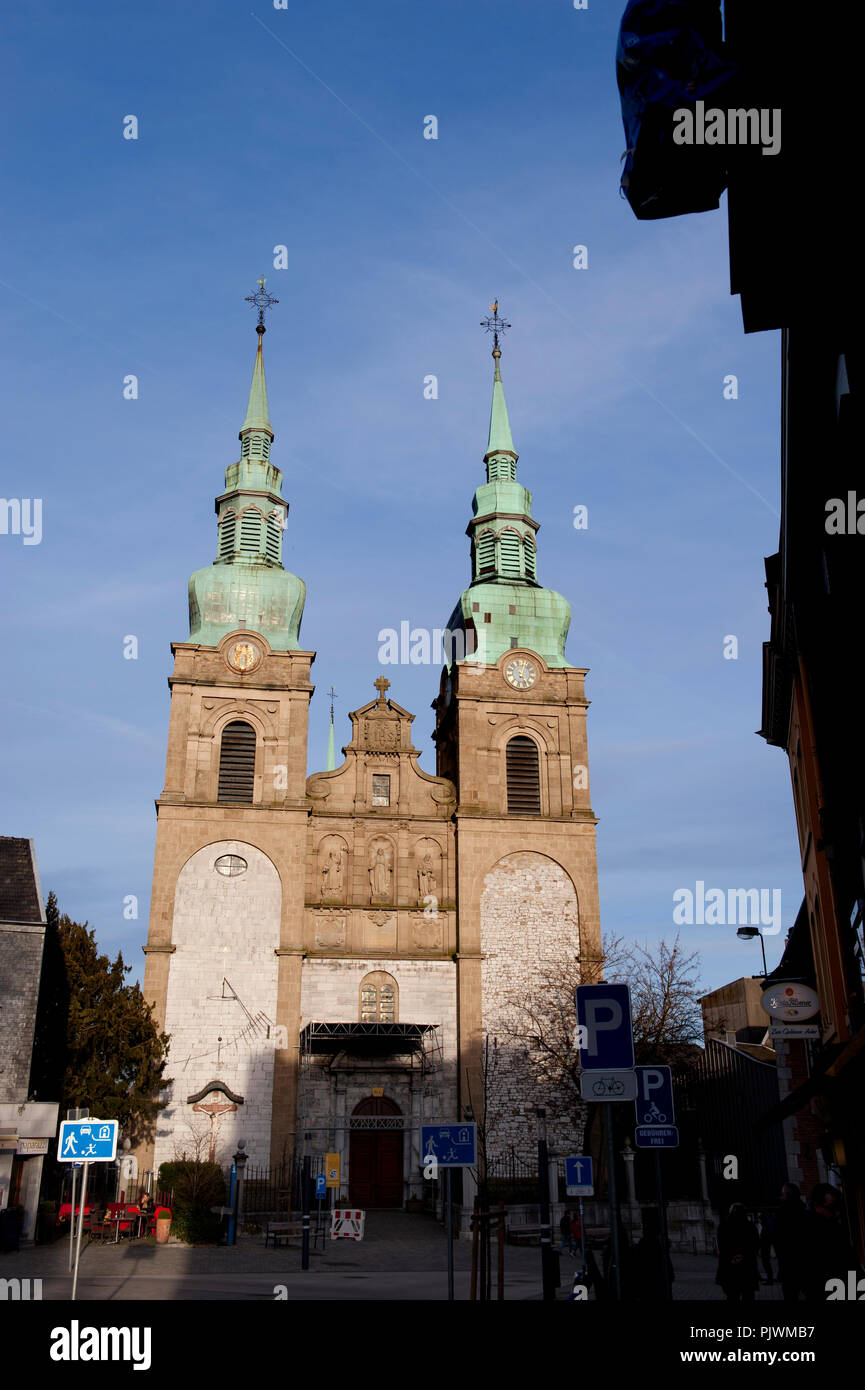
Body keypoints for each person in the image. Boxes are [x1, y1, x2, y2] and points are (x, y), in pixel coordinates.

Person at [802, 1182, 861, 1301]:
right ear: (817, 1206)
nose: (837, 1212)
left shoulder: (833, 1227)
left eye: (838, 1207)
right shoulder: (811, 1230)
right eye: (832, 1208)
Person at [715, 1204, 760, 1302]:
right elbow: (755, 1245)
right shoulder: (750, 1226)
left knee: (732, 1296)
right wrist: (743, 1255)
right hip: (747, 1267)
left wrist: (732, 1257)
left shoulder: (723, 1225)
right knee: (748, 1295)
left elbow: (722, 1246)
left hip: (729, 1266)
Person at [772, 1183, 808, 1300]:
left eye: (783, 1194)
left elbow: (777, 1238)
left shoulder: (782, 1212)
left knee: (790, 1294)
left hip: (788, 1262)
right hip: (805, 1261)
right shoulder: (804, 1210)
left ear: (786, 1195)